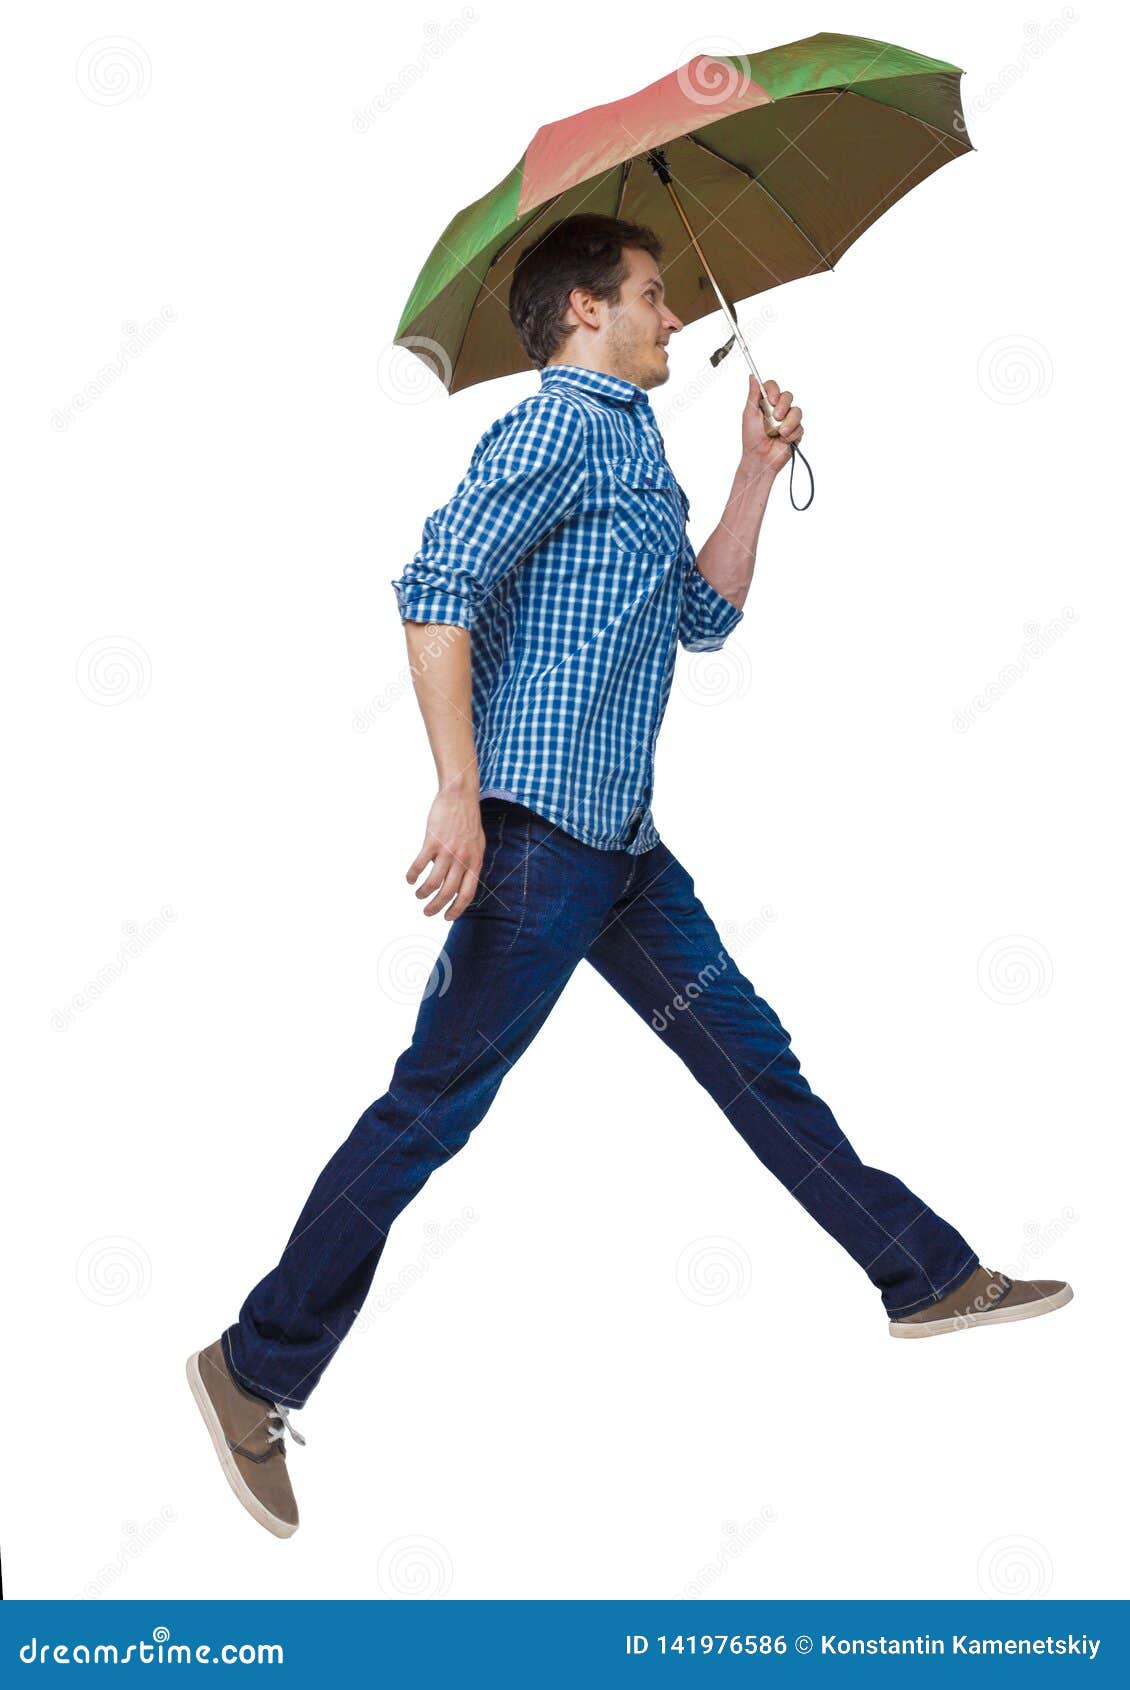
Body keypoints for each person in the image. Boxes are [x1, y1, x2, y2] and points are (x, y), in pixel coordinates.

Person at [187, 213, 1072, 1538]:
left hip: (622, 852)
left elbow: (701, 618)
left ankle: (922, 1275)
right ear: (585, 310)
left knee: (754, 1065)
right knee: (430, 1109)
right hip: (538, 840)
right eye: (653, 294)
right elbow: (433, 589)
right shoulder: (552, 428)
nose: (673, 316)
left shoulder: (634, 442)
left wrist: (754, 472)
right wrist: (457, 790)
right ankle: (253, 1367)